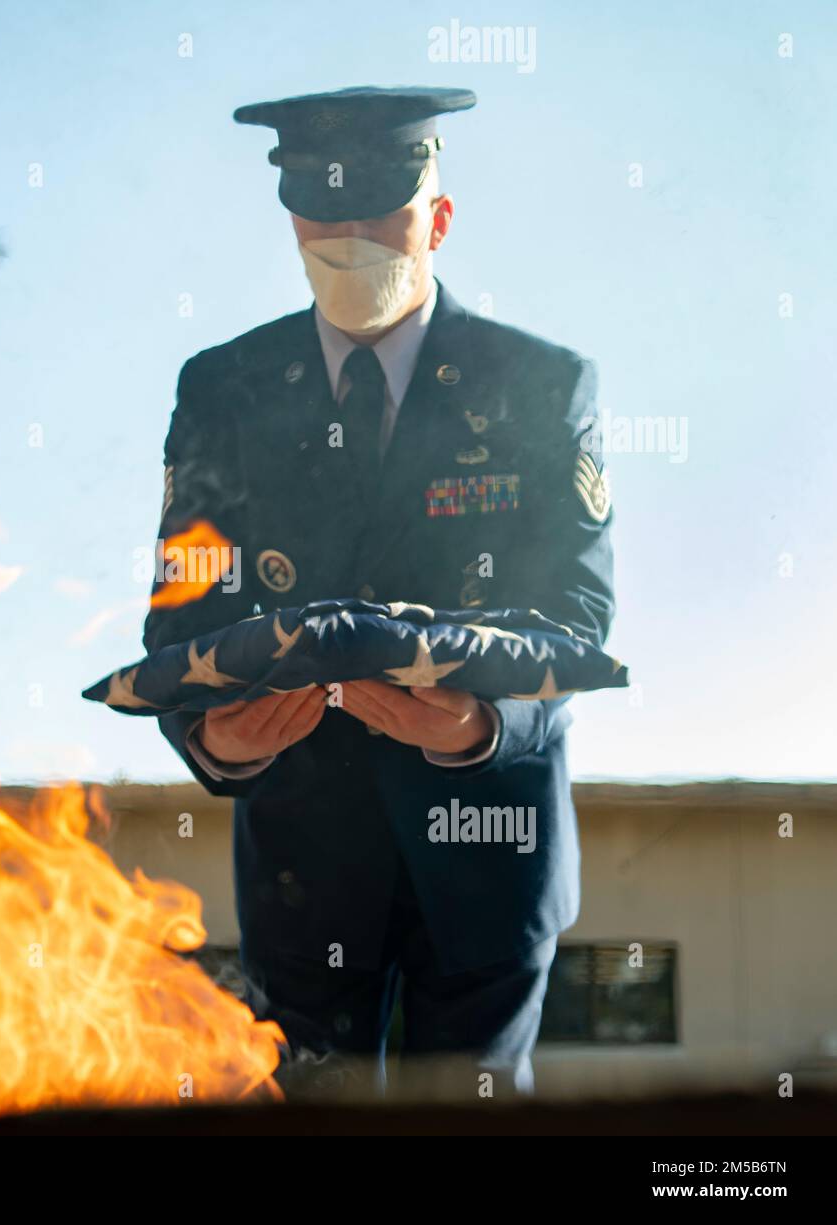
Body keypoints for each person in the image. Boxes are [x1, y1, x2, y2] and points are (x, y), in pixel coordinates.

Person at [142, 87, 615, 1093]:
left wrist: (478, 725)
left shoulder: (539, 386)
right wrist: (215, 737)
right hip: (304, 865)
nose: (347, 240)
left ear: (437, 220)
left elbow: (574, 621)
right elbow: (185, 612)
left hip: (488, 848)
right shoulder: (223, 390)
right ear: (291, 220)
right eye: (323, 214)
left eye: (377, 215)